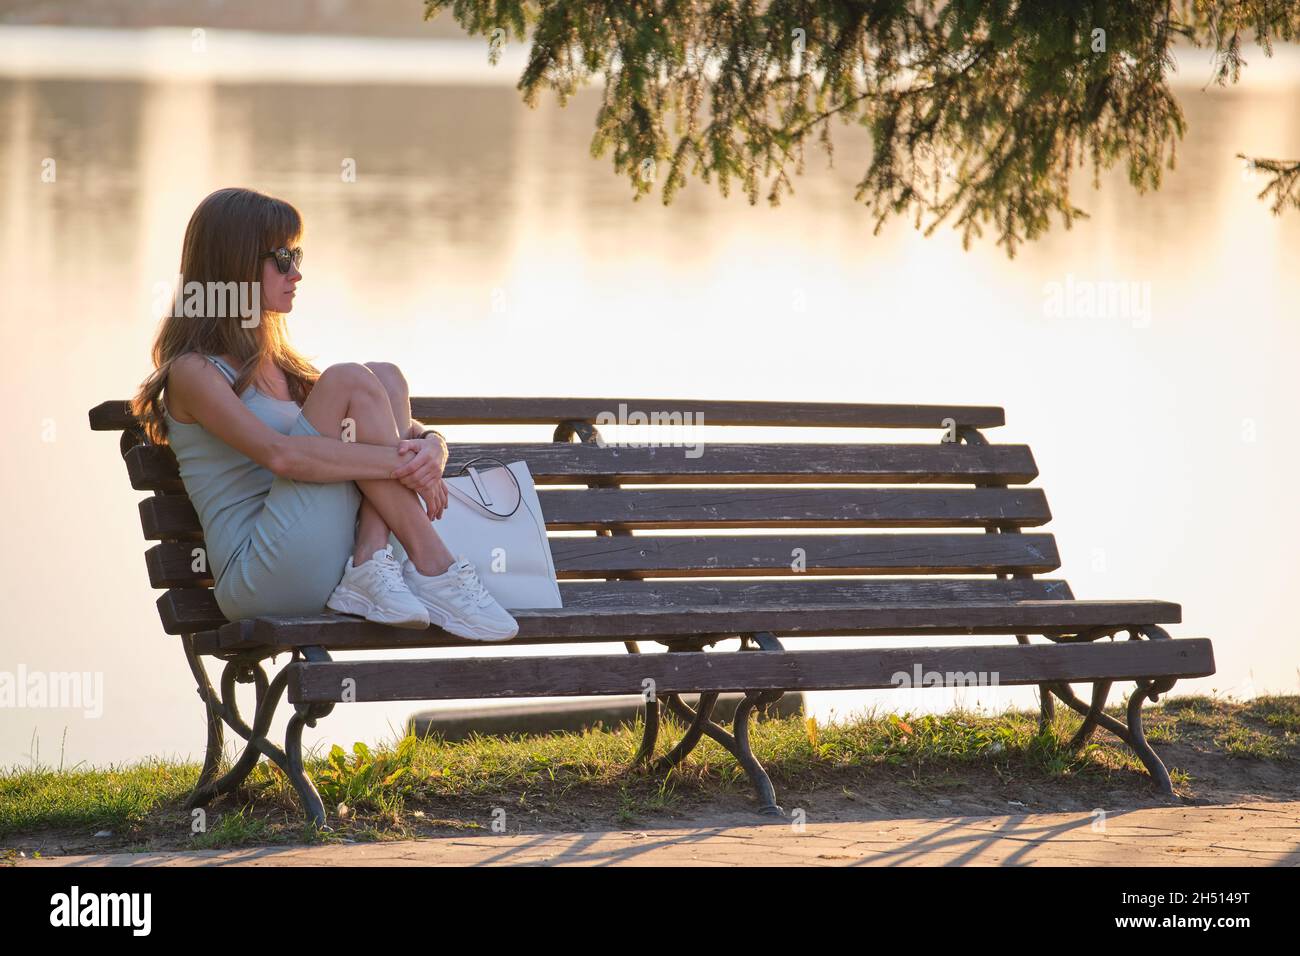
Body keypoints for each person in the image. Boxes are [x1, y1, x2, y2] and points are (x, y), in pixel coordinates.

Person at [130, 186, 519, 641]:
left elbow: (397, 432)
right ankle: (437, 566)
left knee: (385, 377)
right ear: (233, 265)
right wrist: (405, 464)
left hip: (327, 560)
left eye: (298, 255)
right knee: (353, 379)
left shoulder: (289, 372)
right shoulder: (194, 373)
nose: (295, 272)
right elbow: (282, 457)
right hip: (263, 575)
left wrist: (434, 447)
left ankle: (373, 559)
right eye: (280, 258)